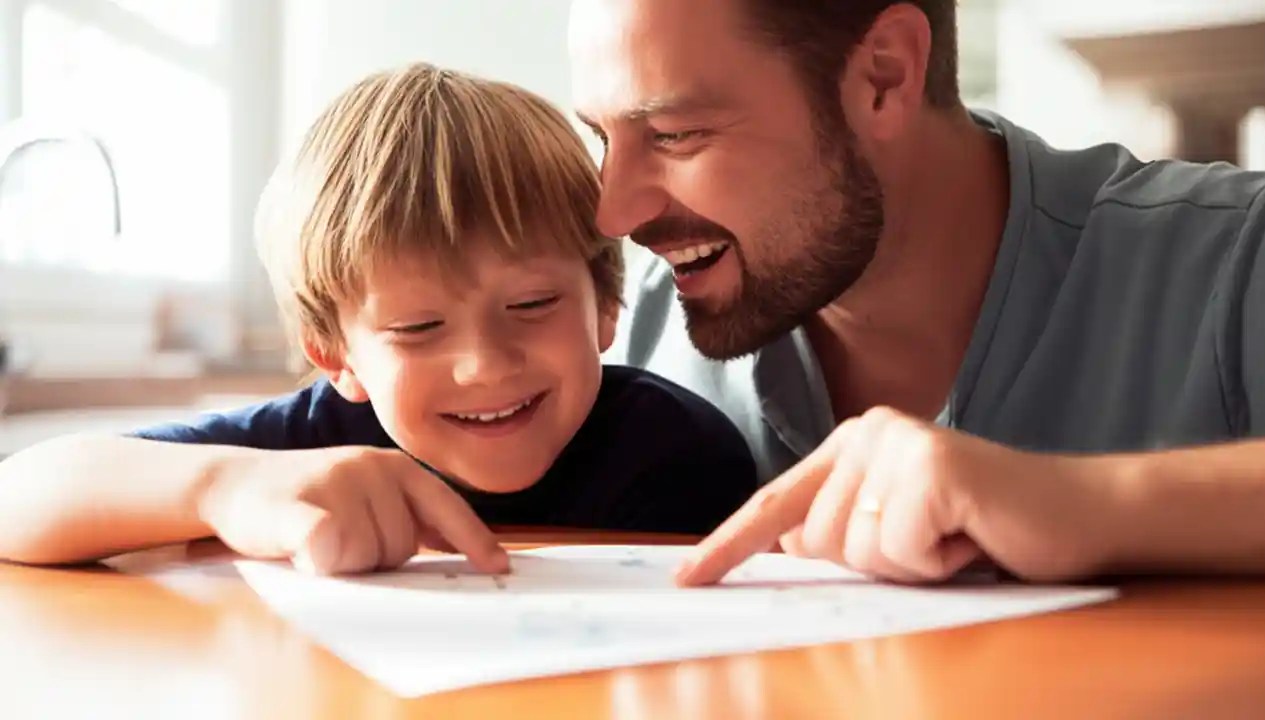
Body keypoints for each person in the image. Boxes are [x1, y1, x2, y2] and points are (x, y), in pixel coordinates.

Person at [566, 0, 1265, 585]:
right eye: (602, 139)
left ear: (884, 75)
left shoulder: (1243, 255)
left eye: (673, 134)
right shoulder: (640, 332)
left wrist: (1081, 503)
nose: (613, 216)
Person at [0, 63, 757, 575]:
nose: (485, 365)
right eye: (418, 329)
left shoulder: (679, 455)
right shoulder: (310, 447)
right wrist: (221, 486)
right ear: (337, 357)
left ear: (606, 309)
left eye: (532, 305)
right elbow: (17, 500)